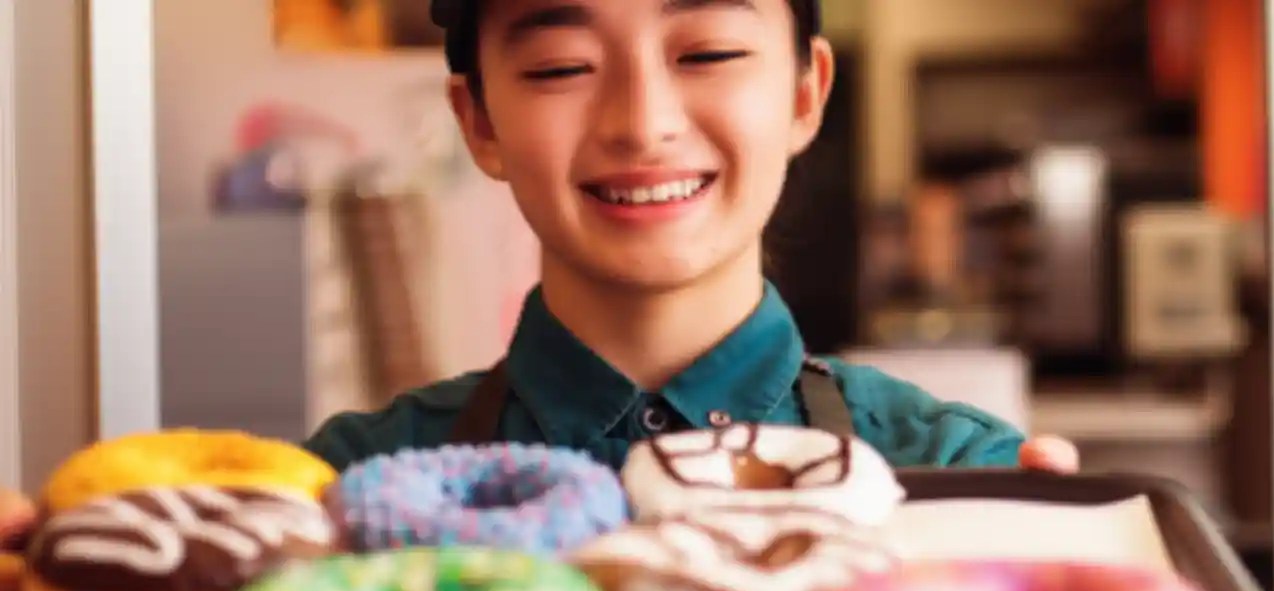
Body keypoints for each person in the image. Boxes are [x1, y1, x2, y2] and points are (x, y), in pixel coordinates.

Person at [300, 0, 1079, 476]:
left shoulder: (950, 476)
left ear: (806, 94)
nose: (643, 125)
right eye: (562, 66)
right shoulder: (345, 490)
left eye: (709, 54)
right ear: (480, 123)